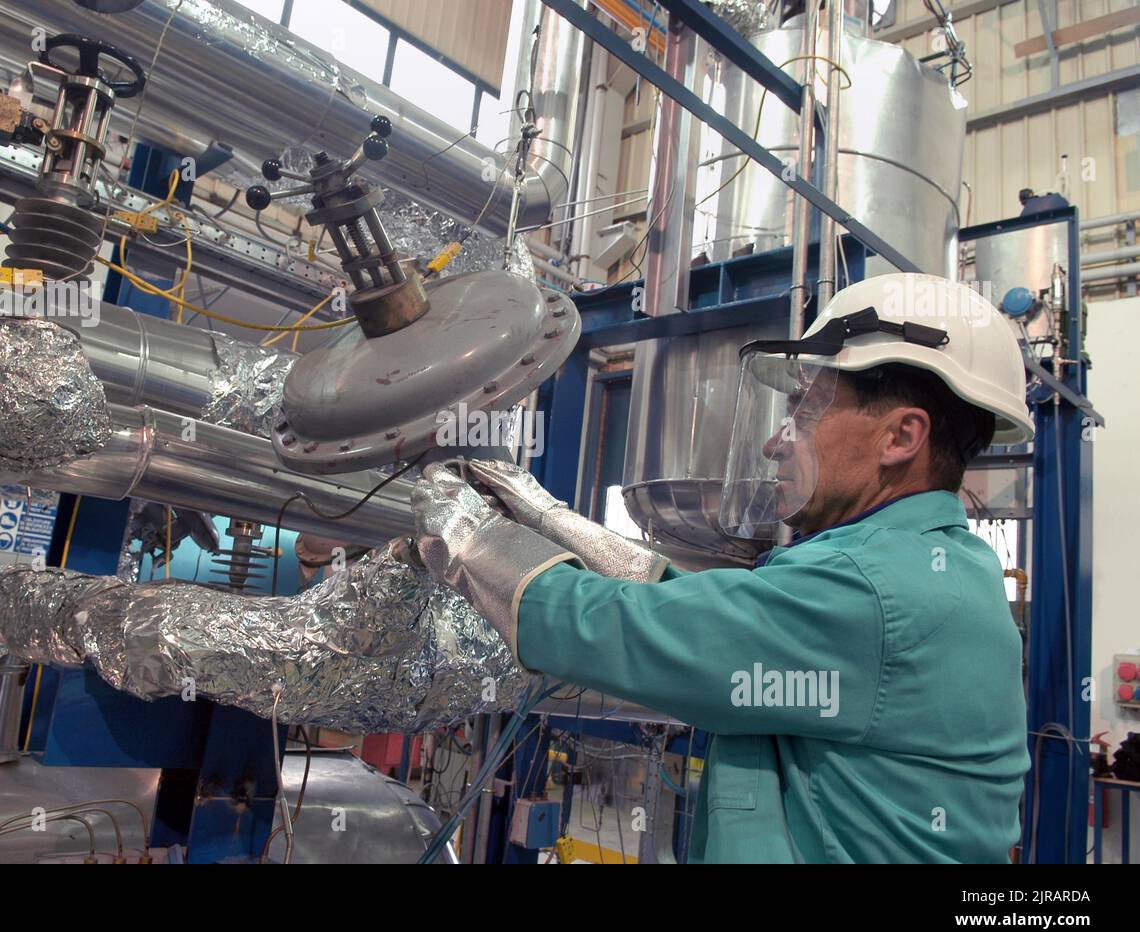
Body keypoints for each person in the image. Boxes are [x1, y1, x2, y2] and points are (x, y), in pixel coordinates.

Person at [411, 273, 1035, 863]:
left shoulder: (873, 590)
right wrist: (545, 515)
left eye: (808, 411)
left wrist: (465, 536)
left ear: (900, 438)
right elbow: (702, 615)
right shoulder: (934, 566)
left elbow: (625, 629)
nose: (776, 441)